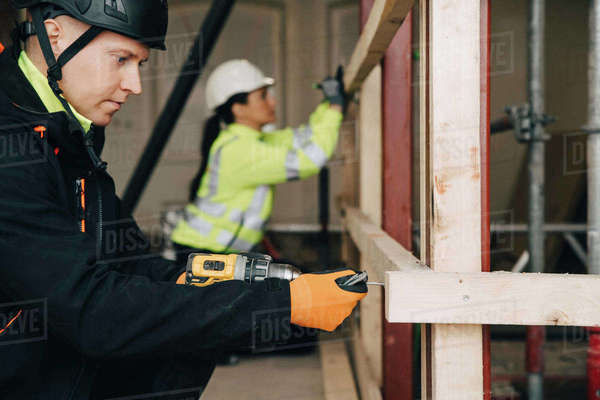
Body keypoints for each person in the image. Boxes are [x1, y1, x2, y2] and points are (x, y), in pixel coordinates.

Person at [0, 1, 367, 399]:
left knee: (187, 335)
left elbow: (129, 263)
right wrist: (285, 303)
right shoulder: (12, 148)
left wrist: (221, 279)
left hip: (59, 363)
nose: (135, 85)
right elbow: (92, 312)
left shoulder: (69, 133)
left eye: (138, 63)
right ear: (55, 35)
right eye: (121, 59)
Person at [169, 59, 345, 263]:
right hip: (203, 252)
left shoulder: (250, 141)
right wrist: (335, 107)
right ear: (238, 109)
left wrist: (328, 105)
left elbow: (304, 138)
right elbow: (310, 160)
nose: (272, 102)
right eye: (263, 96)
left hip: (214, 250)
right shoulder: (240, 151)